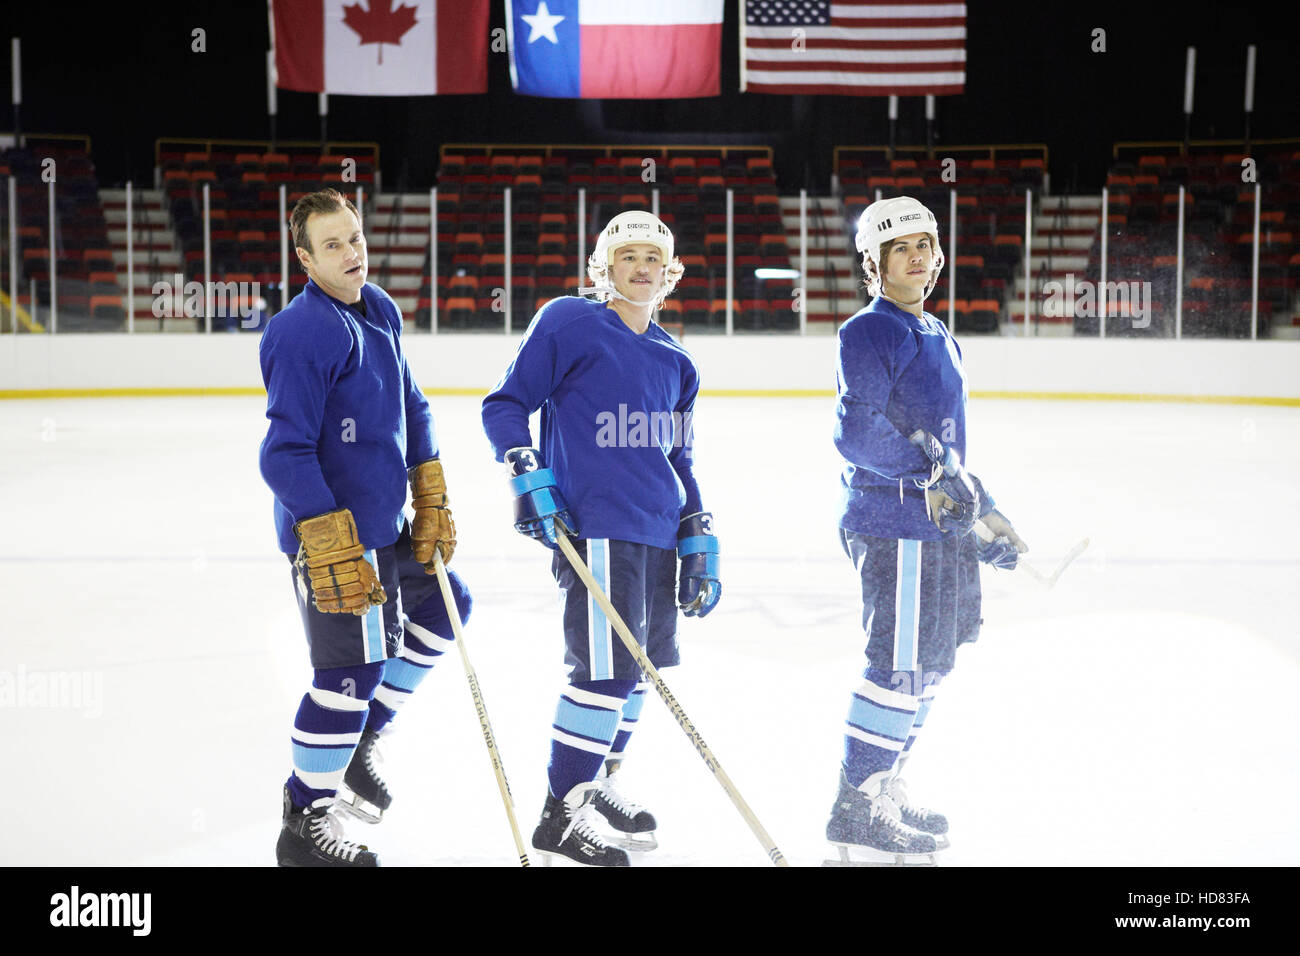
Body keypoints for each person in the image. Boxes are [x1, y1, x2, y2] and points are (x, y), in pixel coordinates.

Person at [481, 210, 721, 867]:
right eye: (628, 256)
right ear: (603, 268)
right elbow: (503, 405)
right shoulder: (569, 320)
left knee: (637, 673)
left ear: (670, 273)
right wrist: (527, 472)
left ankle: (598, 779)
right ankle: (562, 813)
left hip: (656, 533)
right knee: (604, 672)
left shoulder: (677, 360)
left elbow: (680, 460)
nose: (642, 267)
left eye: (654, 258)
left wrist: (698, 530)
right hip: (598, 527)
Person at [259, 188, 470, 867]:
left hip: (388, 527)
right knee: (350, 671)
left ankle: (359, 740)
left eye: (354, 236)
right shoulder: (301, 331)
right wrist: (325, 535)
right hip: (336, 539)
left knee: (448, 607)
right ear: (304, 259)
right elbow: (282, 452)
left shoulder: (377, 308)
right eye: (333, 244)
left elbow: (413, 402)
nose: (353, 252)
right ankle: (304, 823)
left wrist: (429, 482)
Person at [826, 195, 1028, 865]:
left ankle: (884, 782)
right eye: (902, 247)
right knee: (897, 662)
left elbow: (949, 448)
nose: (920, 256)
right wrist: (932, 475)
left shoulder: (938, 332)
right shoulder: (869, 330)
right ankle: (856, 802)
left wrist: (984, 511)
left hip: (937, 527)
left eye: (927, 244)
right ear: (875, 263)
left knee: (931, 663)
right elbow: (857, 431)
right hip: (894, 522)